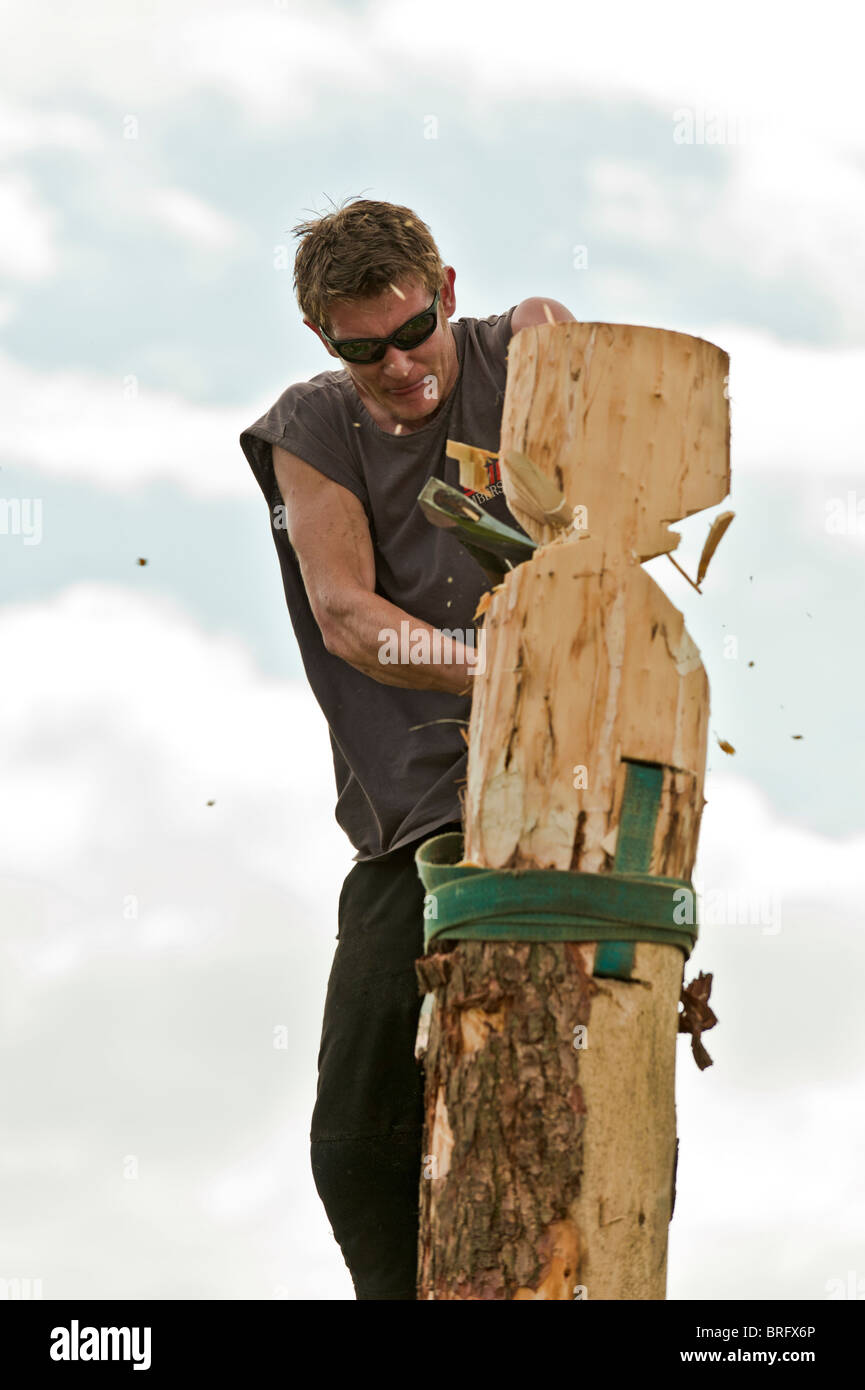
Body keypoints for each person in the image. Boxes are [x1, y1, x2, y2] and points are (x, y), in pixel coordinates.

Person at [239, 197, 574, 1299]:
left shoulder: (521, 348)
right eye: (362, 348)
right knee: (356, 1146)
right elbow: (345, 612)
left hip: (561, 799)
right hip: (416, 821)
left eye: (413, 331)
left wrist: (558, 354)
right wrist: (494, 667)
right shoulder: (313, 427)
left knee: (543, 1120)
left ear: (447, 288)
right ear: (323, 342)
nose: (400, 366)